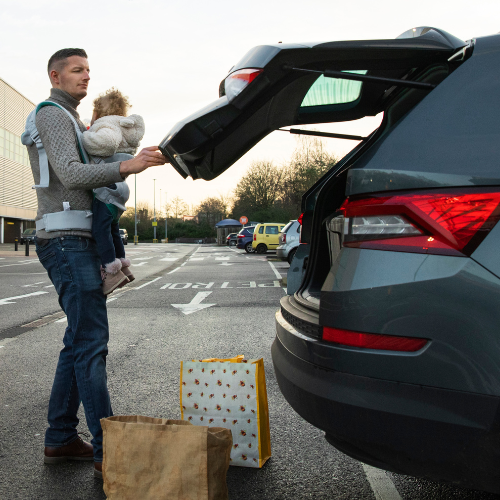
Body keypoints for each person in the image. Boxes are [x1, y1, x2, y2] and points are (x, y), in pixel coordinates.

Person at [25, 48, 167, 479]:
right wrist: (129, 165)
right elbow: (69, 173)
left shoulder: (73, 120)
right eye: (77, 70)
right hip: (65, 241)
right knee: (91, 342)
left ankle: (60, 438)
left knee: (78, 341)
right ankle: (109, 449)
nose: (86, 76)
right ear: (55, 75)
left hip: (76, 238)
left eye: (88, 69)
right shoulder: (51, 113)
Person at [82, 88, 146, 294]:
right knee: (113, 230)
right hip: (121, 188)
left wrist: (84, 137)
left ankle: (110, 272)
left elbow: (107, 143)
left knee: (100, 230)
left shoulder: (106, 125)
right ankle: (124, 267)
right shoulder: (126, 129)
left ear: (99, 112)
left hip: (106, 187)